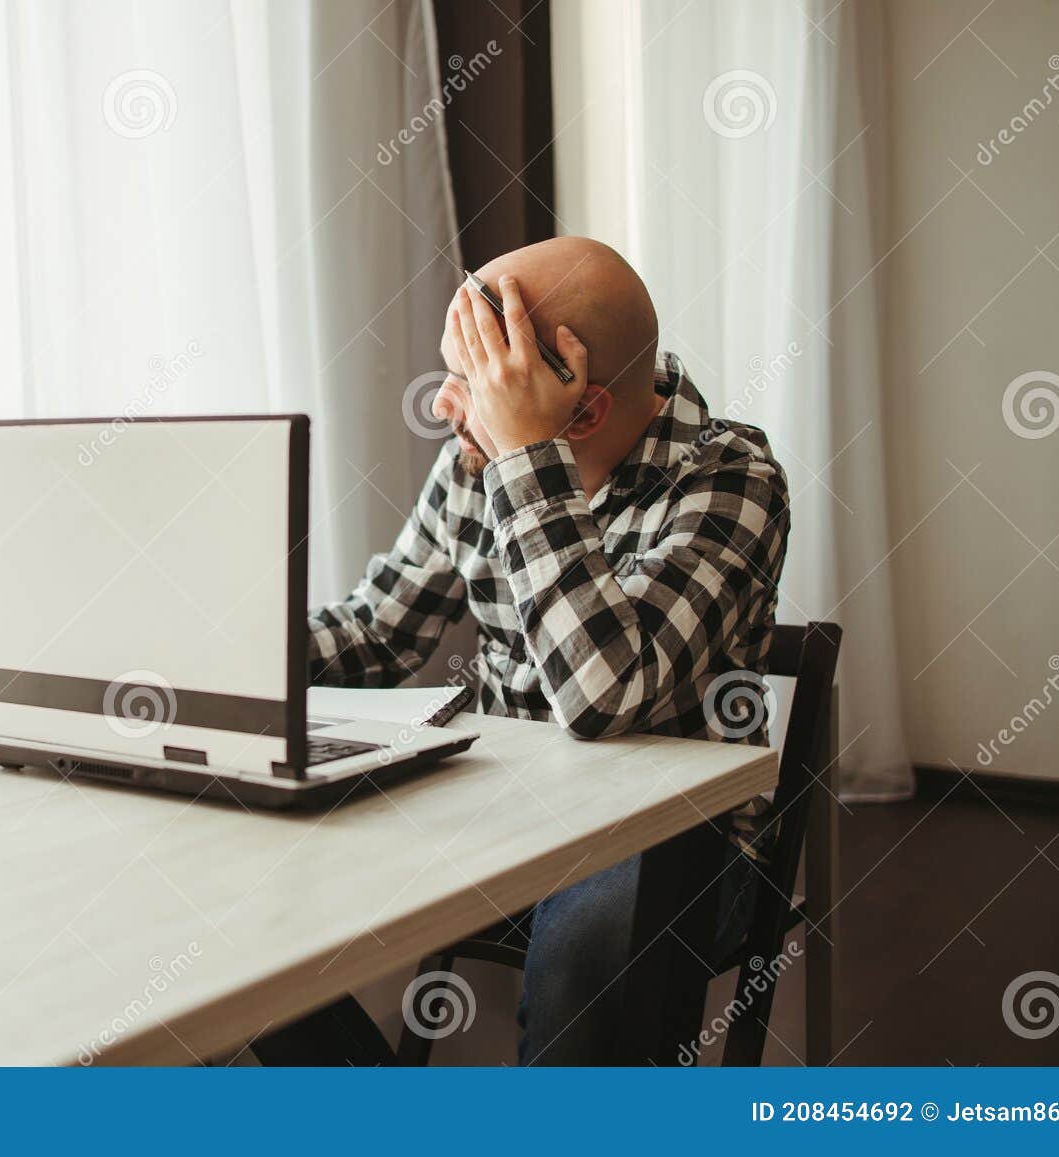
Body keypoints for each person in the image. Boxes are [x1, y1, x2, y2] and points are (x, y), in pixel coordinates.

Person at [307, 236, 791, 1064]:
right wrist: (219, 654)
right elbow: (376, 632)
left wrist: (529, 459)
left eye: (476, 381)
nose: (443, 405)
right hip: (504, 817)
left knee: (598, 928)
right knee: (251, 892)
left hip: (676, 840)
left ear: (585, 410)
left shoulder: (731, 476)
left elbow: (607, 696)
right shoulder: (472, 465)